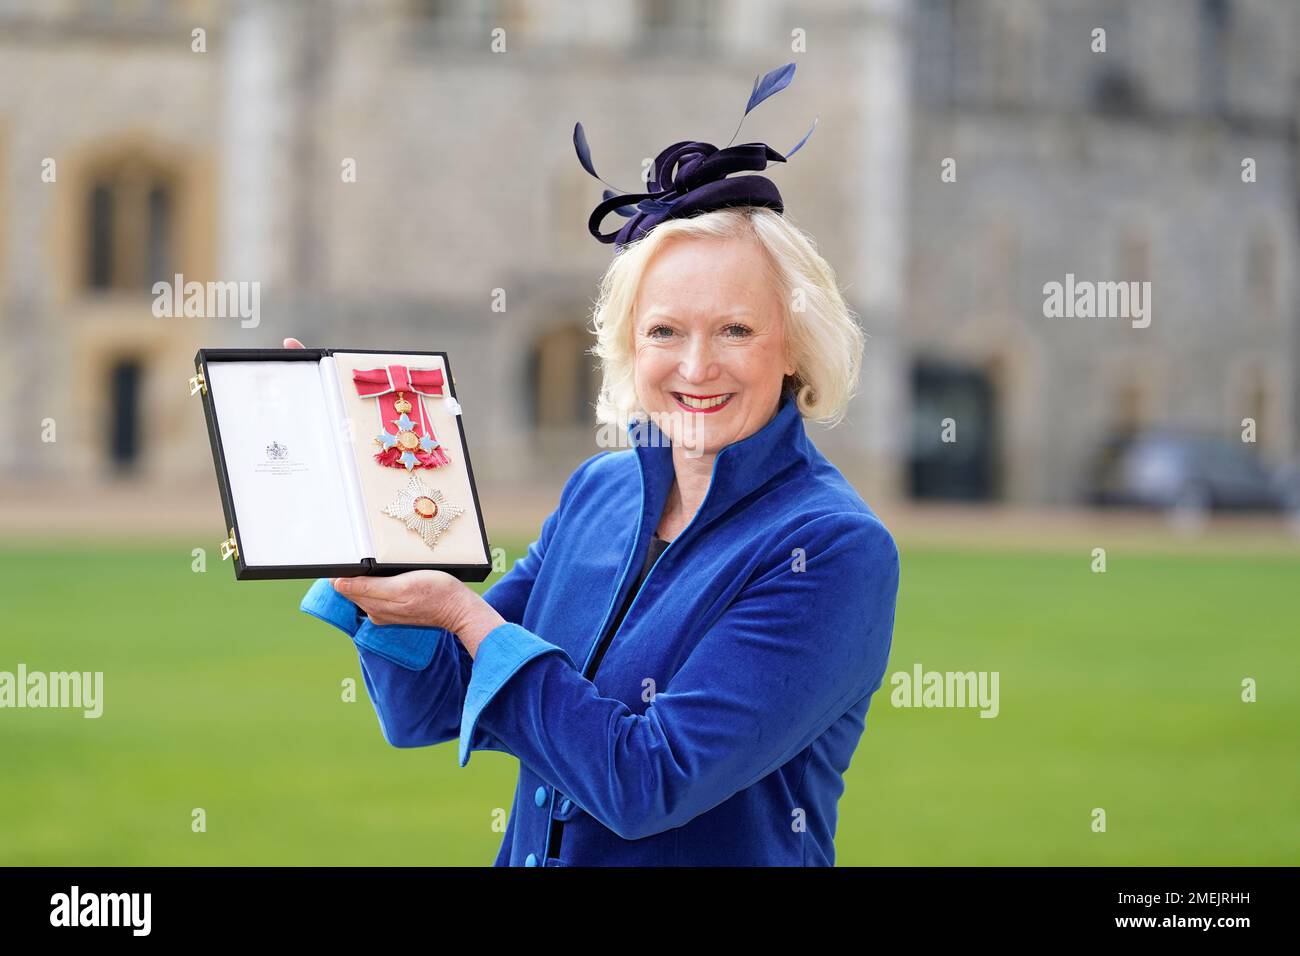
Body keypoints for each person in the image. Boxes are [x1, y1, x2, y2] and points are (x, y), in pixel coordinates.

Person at [298, 63, 900, 866]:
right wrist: (380, 537)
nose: (696, 365)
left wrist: (468, 617)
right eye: (663, 332)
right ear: (627, 346)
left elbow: (646, 781)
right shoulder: (602, 492)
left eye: (735, 331)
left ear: (793, 345)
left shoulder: (831, 548)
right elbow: (432, 704)